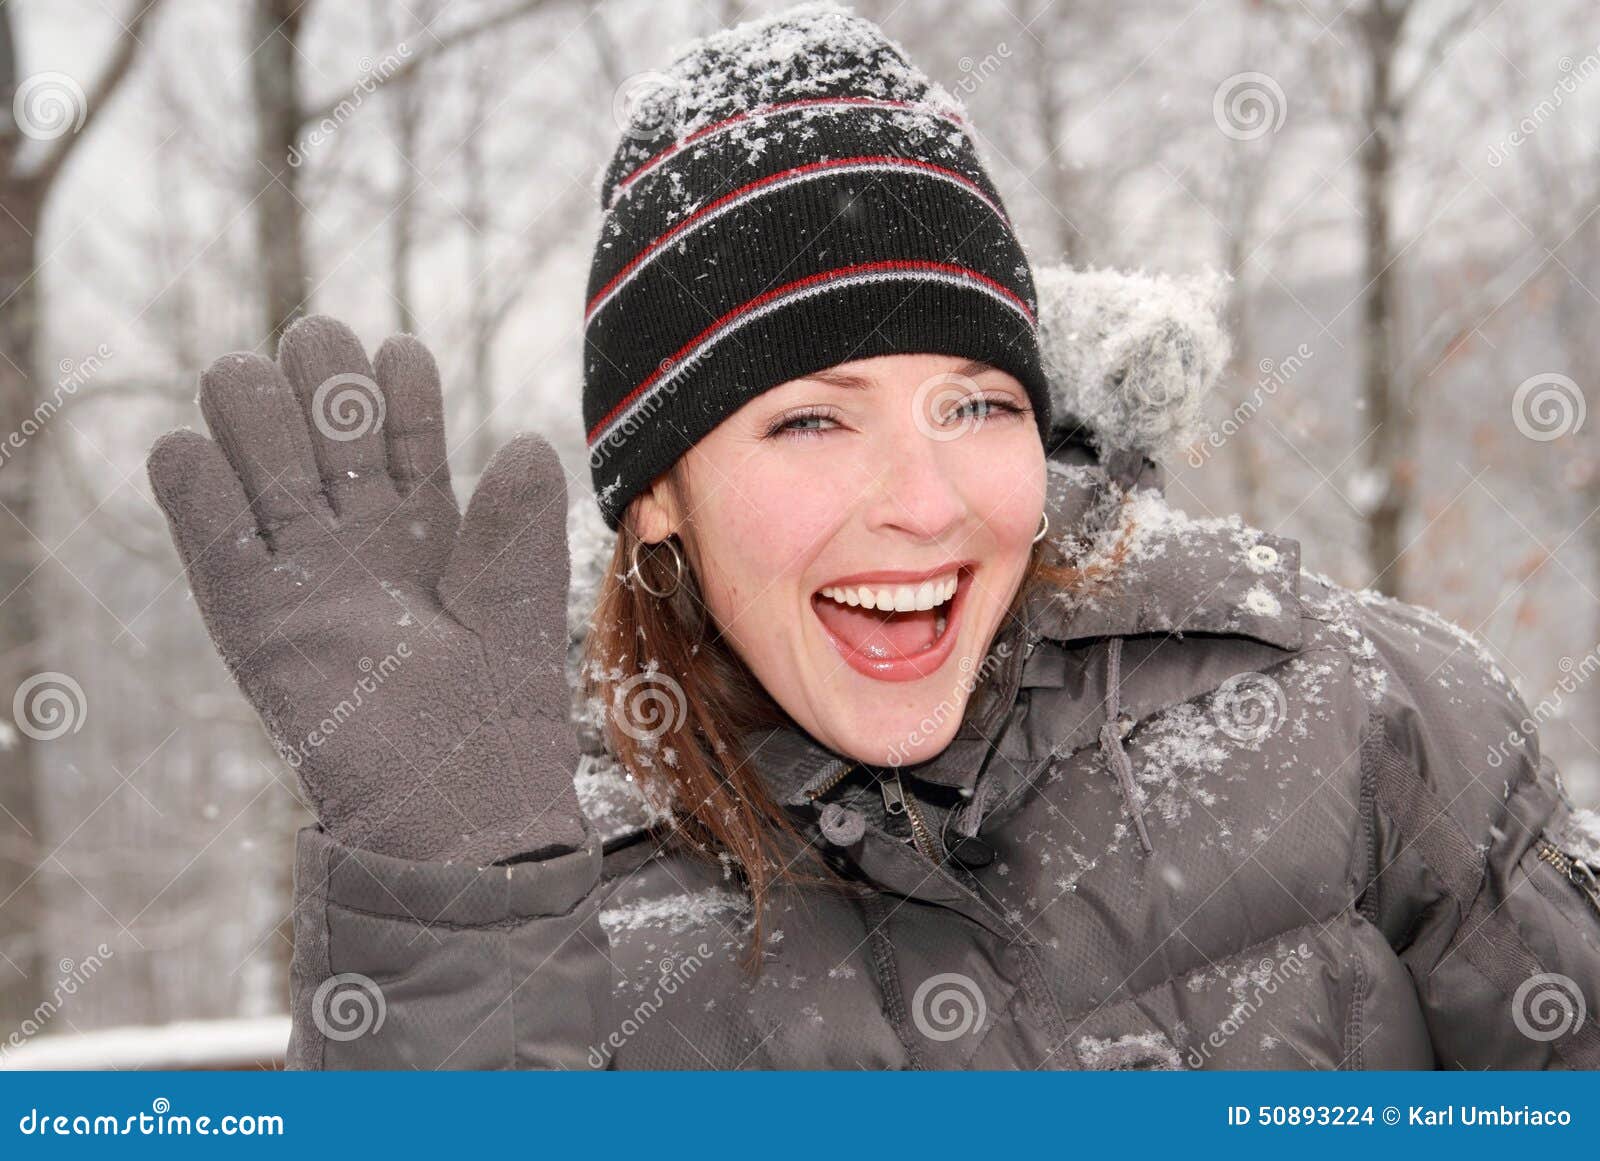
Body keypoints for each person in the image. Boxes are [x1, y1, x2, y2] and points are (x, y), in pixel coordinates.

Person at [146, 3, 1600, 1070]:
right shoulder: (554, 900)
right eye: (810, 421)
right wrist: (451, 931)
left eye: (975, 403)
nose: (925, 498)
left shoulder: (1354, 718)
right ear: (657, 492)